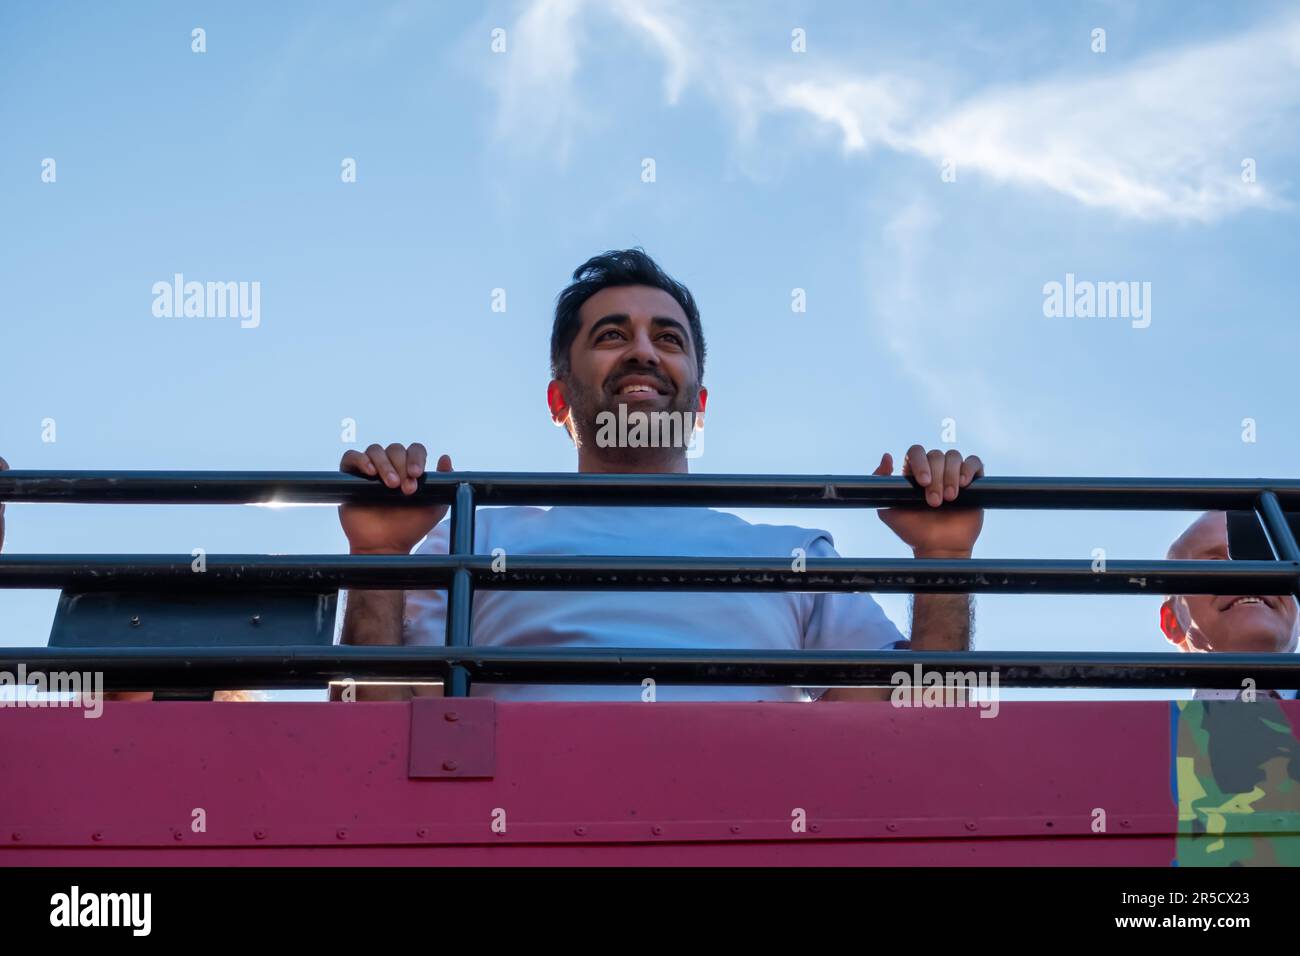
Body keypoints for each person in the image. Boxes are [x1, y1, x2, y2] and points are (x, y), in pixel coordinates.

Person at [338, 249, 986, 701]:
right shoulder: (472, 541)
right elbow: (383, 722)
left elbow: (926, 728)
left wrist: (943, 557)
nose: (643, 350)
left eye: (669, 339)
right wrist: (379, 552)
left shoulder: (793, 555)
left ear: (699, 404)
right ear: (559, 399)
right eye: (612, 335)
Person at [1160, 511, 1299, 699]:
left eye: (1268, 559)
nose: (1248, 573)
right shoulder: (1142, 726)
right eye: (1215, 564)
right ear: (1172, 621)